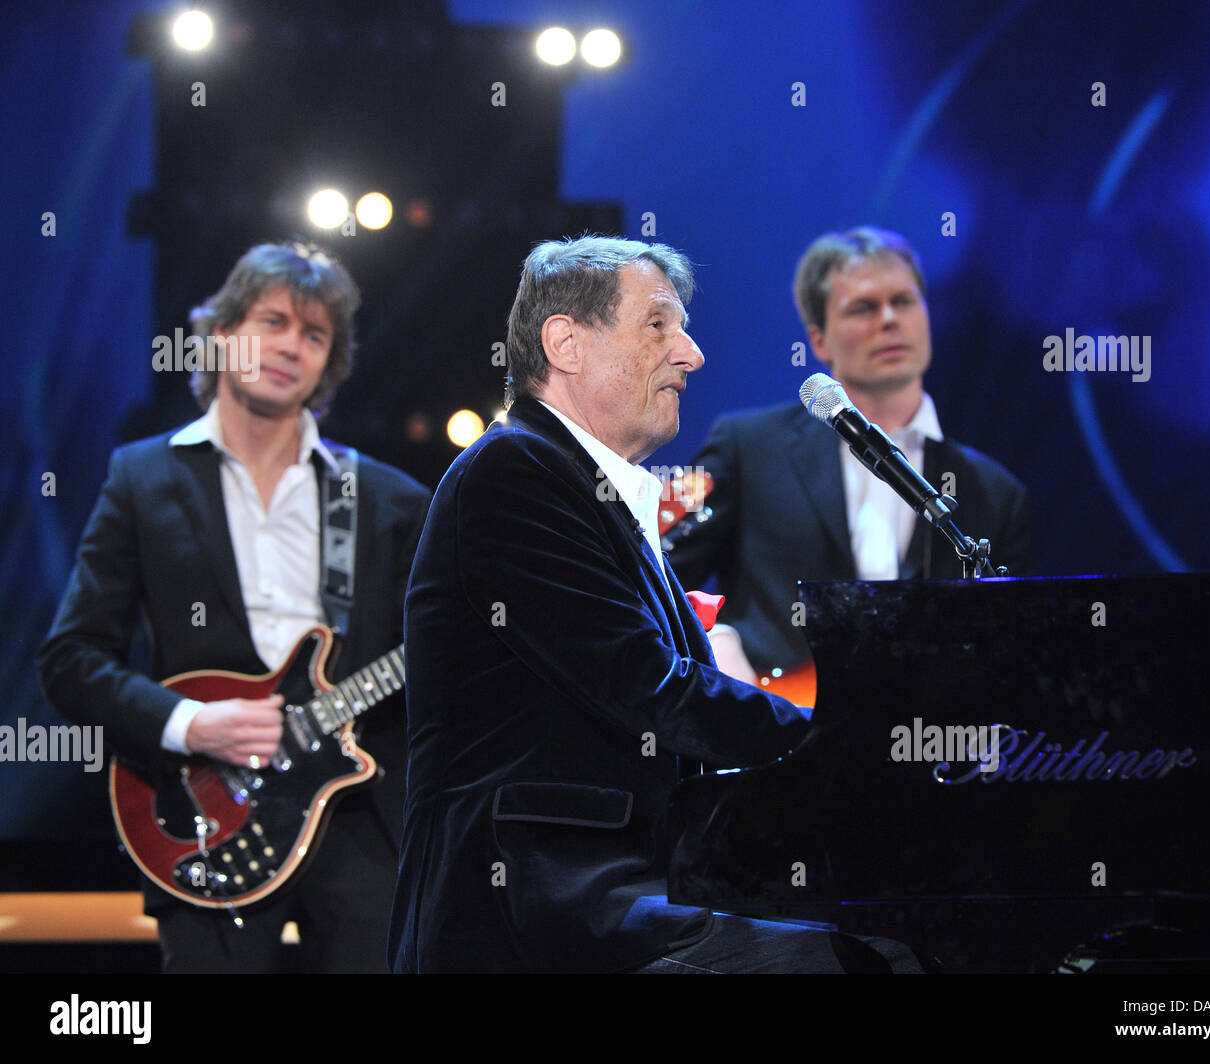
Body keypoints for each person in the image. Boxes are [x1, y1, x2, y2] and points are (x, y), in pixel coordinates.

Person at [390, 236, 919, 973]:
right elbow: (643, 684)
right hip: (535, 902)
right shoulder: (511, 472)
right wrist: (839, 744)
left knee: (891, 942)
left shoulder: (592, 489)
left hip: (628, 885)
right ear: (566, 342)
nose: (692, 353)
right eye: (659, 325)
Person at [38, 241, 431, 972]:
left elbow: (439, 652)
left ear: (329, 364)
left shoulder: (390, 498)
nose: (291, 346)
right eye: (273, 322)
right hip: (202, 813)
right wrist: (193, 725)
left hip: (361, 817)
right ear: (221, 335)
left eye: (314, 336)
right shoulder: (141, 478)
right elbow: (70, 660)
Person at [664, 226, 1031, 684]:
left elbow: (1015, 644)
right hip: (779, 731)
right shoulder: (748, 446)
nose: (889, 319)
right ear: (819, 340)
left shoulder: (993, 492)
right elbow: (662, 579)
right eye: (863, 307)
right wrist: (717, 639)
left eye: (904, 301)